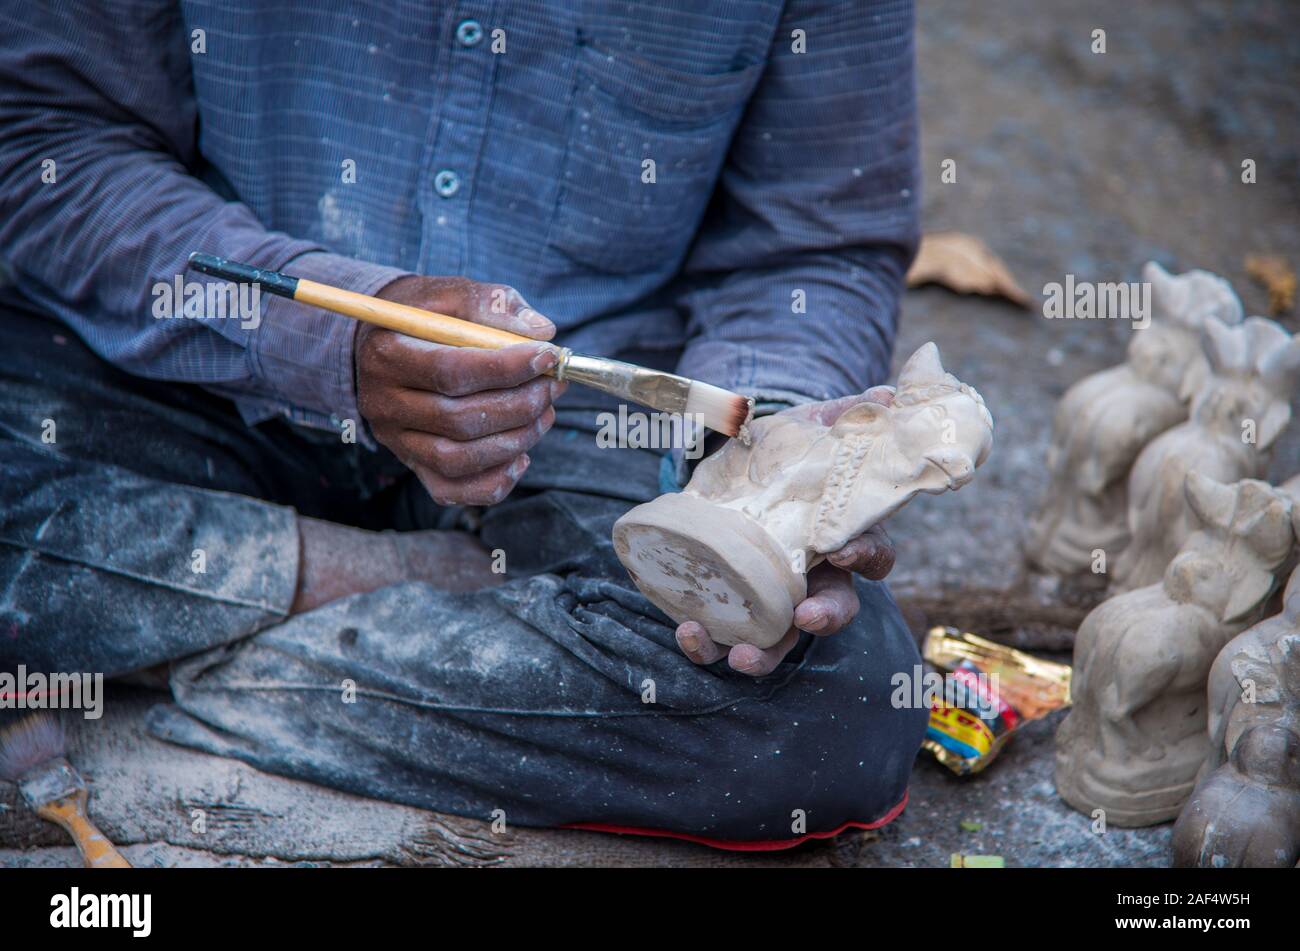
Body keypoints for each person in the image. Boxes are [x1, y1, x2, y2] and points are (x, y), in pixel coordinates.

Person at [0, 0, 925, 848]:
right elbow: (48, 146)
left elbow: (816, 247)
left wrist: (764, 477)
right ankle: (430, 598)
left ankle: (135, 616)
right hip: (174, 359)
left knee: (831, 698)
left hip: (580, 434)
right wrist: (333, 335)